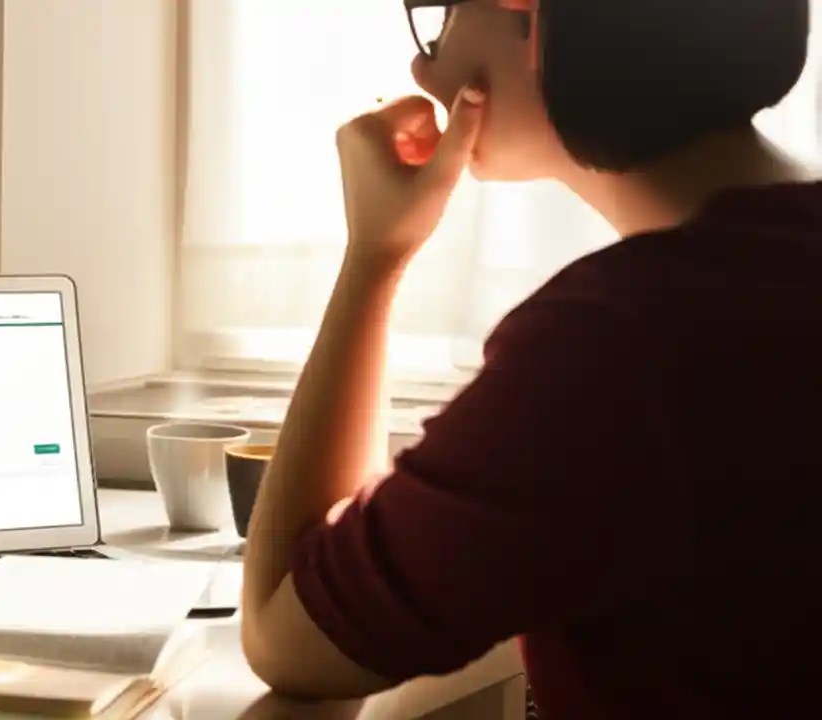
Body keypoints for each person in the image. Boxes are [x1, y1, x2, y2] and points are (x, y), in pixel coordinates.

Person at [238, 1, 822, 718]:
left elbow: (286, 638)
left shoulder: (617, 347)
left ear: (536, 22)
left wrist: (374, 258)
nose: (421, 66)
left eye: (443, 15)